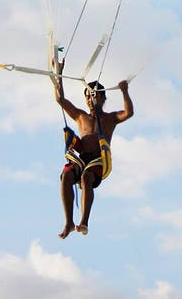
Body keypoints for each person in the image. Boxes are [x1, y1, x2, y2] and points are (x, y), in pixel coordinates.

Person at [53, 60, 133, 238]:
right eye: (88, 96)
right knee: (66, 175)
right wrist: (58, 73)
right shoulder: (81, 116)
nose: (91, 99)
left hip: (98, 160)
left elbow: (129, 113)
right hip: (82, 158)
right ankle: (69, 222)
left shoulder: (110, 118)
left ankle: (84, 222)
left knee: (86, 177)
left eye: (95, 96)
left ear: (103, 98)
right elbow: (60, 99)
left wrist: (124, 91)